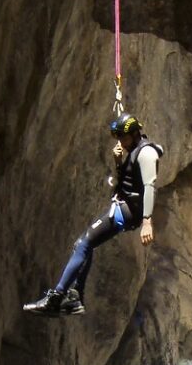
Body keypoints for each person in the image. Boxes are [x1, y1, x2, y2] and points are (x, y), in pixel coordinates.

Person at [24, 113, 162, 316]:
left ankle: (58, 297)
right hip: (125, 208)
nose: (120, 142)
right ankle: (75, 297)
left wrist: (147, 222)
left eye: (123, 137)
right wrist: (118, 162)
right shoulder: (133, 151)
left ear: (134, 134)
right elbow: (126, 181)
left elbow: (150, 187)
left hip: (128, 212)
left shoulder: (146, 153)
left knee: (83, 244)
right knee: (85, 245)